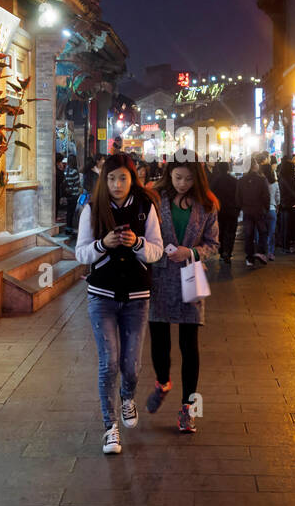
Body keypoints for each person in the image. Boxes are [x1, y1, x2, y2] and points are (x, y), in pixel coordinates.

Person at [75, 153, 163, 455]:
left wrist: (136, 243)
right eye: (111, 178)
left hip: (138, 297)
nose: (116, 184)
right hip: (102, 296)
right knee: (108, 363)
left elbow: (157, 251)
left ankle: (127, 397)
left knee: (132, 365)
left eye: (122, 177)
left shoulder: (145, 206)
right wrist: (104, 245)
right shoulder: (92, 208)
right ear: (104, 179)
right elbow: (81, 253)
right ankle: (110, 428)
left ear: (132, 176)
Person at [145, 160, 220, 432]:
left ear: (197, 179)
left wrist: (191, 252)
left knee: (190, 345)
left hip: (190, 278)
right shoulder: (154, 200)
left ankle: (187, 408)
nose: (182, 184)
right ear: (169, 175)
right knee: (159, 341)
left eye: (188, 179)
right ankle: (162, 382)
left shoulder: (207, 205)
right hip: (160, 277)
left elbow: (213, 245)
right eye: (177, 177)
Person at [237, 162, 271, 266]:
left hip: (247, 210)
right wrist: (267, 208)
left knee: (249, 234)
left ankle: (249, 258)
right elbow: (266, 196)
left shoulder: (241, 181)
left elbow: (238, 197)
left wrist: (241, 208)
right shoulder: (261, 180)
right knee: (263, 232)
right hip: (259, 210)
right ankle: (260, 252)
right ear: (255, 167)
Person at [210, 160, 240, 264]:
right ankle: (228, 251)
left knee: (220, 231)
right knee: (231, 232)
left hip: (219, 211)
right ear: (228, 168)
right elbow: (238, 196)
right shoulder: (234, 181)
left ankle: (222, 252)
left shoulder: (214, 181)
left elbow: (211, 196)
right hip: (232, 211)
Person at [278, 156, 295, 252]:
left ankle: (284, 245)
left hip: (283, 204)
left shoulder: (281, 178)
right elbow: (293, 192)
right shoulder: (290, 179)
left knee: (284, 226)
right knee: (289, 227)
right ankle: (286, 247)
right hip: (290, 205)